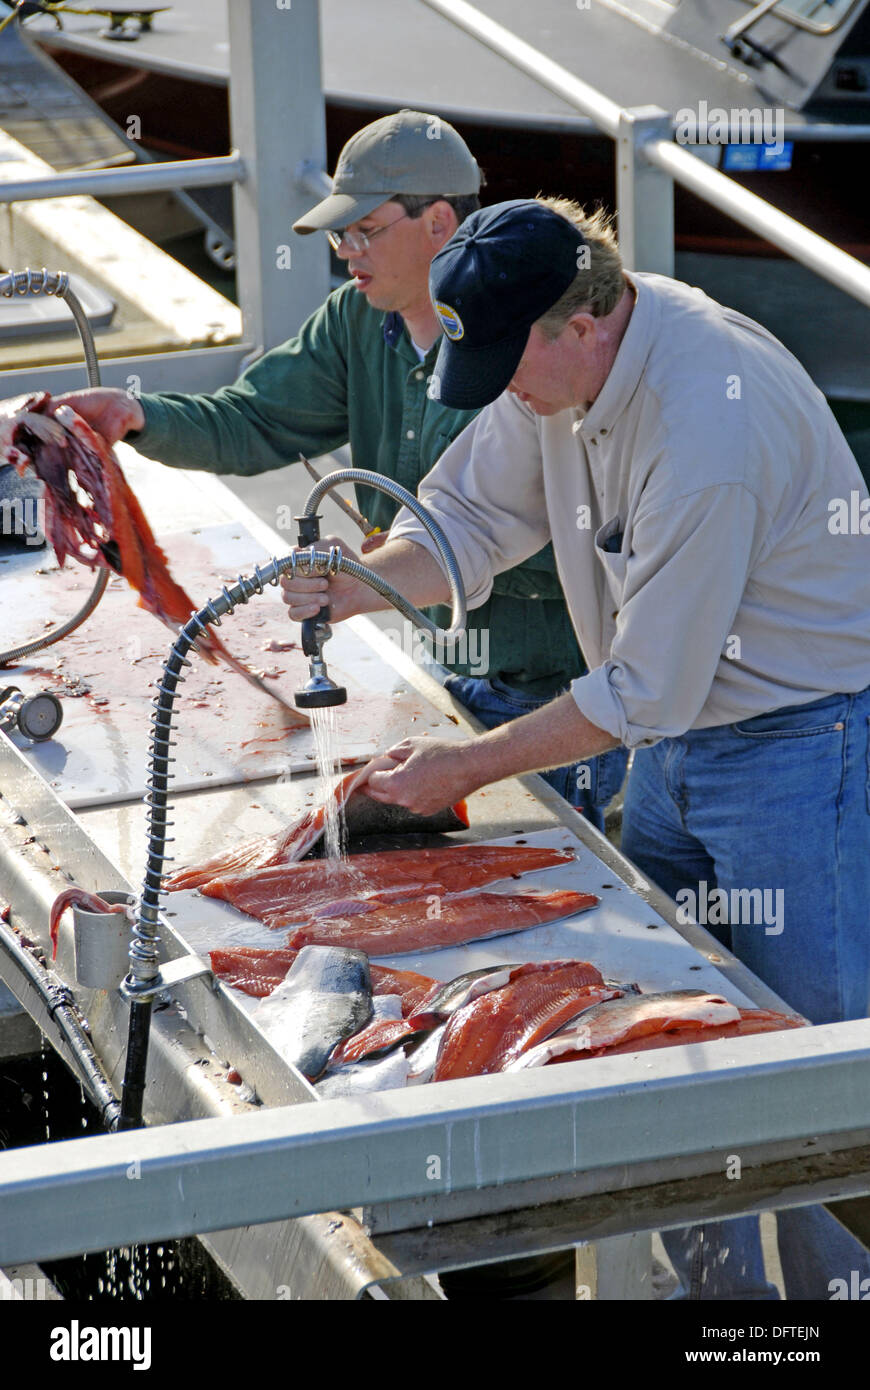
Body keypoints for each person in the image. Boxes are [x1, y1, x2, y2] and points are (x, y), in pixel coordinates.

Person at [280, 196, 870, 1300]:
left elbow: (644, 685)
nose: (504, 388)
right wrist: (360, 584)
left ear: (578, 325)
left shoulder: (706, 428)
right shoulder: (557, 368)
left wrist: (456, 771)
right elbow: (466, 523)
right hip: (673, 747)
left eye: (510, 363)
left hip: (796, 753)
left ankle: (835, 1300)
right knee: (661, 1043)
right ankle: (718, 1308)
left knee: (809, 1076)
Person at [52, 109, 626, 828]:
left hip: (557, 696)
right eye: (338, 234)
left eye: (365, 231)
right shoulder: (354, 320)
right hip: (447, 669)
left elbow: (584, 547)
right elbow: (255, 418)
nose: (347, 252)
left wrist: (386, 571)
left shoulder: (541, 357)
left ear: (441, 223)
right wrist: (136, 418)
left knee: (565, 877)